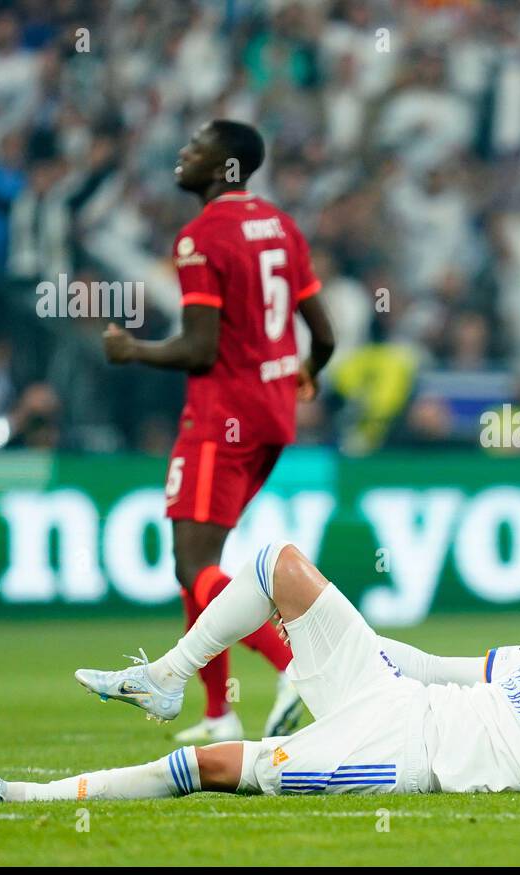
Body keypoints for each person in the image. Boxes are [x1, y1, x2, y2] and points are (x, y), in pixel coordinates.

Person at [0, 542, 520, 802]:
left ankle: (17, 793)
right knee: (278, 566)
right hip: (395, 695)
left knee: (216, 766)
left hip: (402, 759)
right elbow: (436, 666)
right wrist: (342, 638)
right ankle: (167, 677)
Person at [102, 121, 336, 743]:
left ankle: (295, 669)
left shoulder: (200, 236)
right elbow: (328, 336)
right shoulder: (283, 227)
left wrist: (132, 350)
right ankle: (217, 712)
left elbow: (200, 349)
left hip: (220, 415)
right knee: (199, 559)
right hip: (272, 417)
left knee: (193, 560)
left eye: (198, 146)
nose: (183, 152)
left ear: (227, 166)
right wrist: (306, 373)